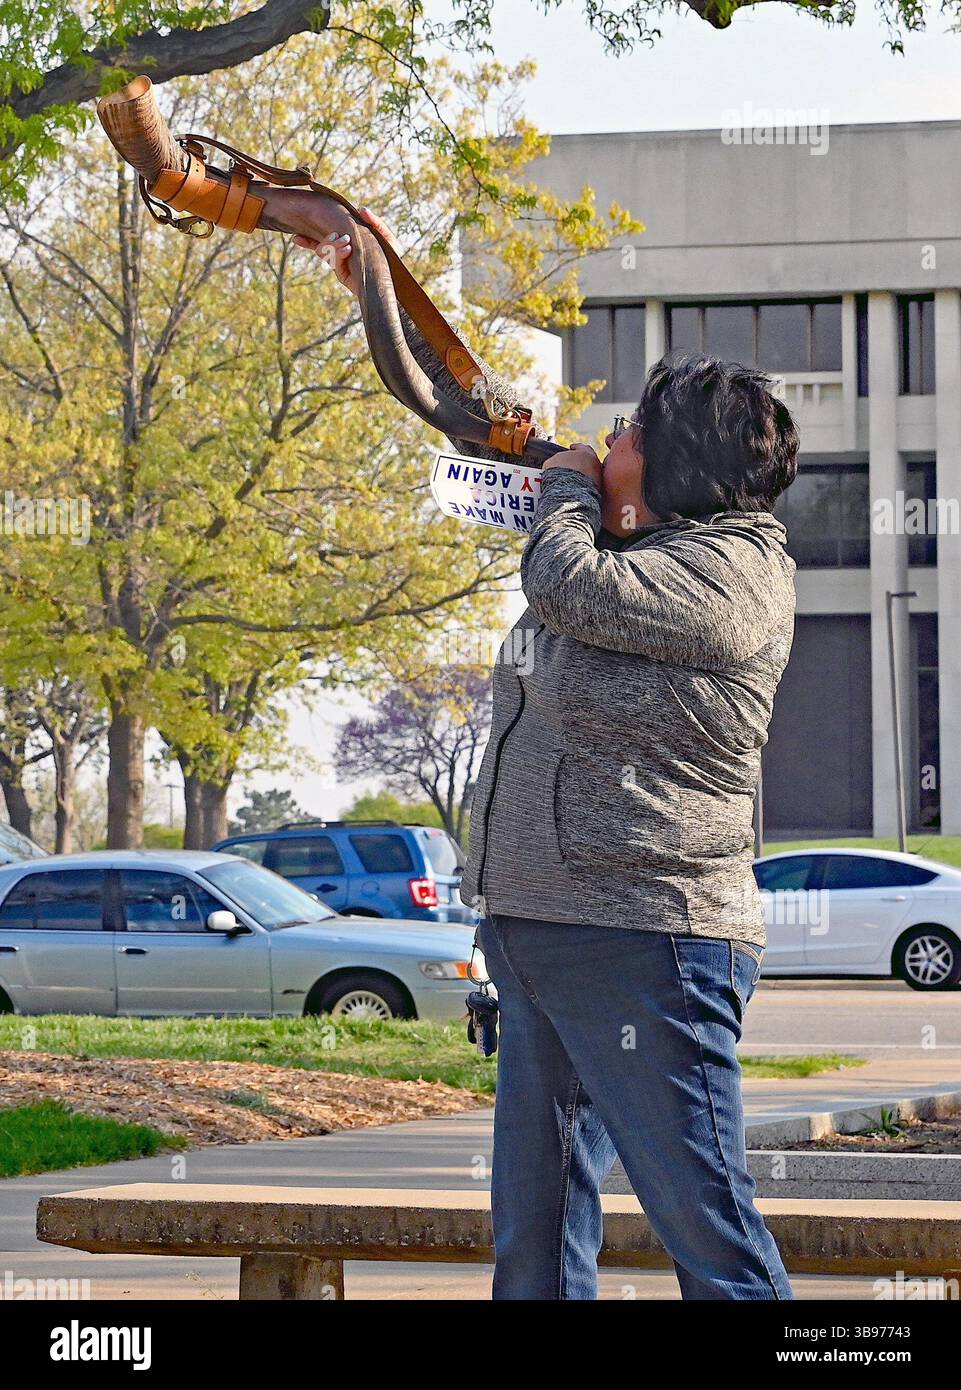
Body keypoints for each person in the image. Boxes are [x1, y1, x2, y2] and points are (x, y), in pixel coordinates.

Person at [300, 213, 799, 1301]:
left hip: (648, 942)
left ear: (665, 470)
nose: (599, 441)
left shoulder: (733, 574)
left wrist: (571, 489)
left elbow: (565, 584)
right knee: (532, 1245)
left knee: (706, 1233)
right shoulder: (631, 548)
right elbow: (556, 572)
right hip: (541, 931)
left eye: (621, 433)